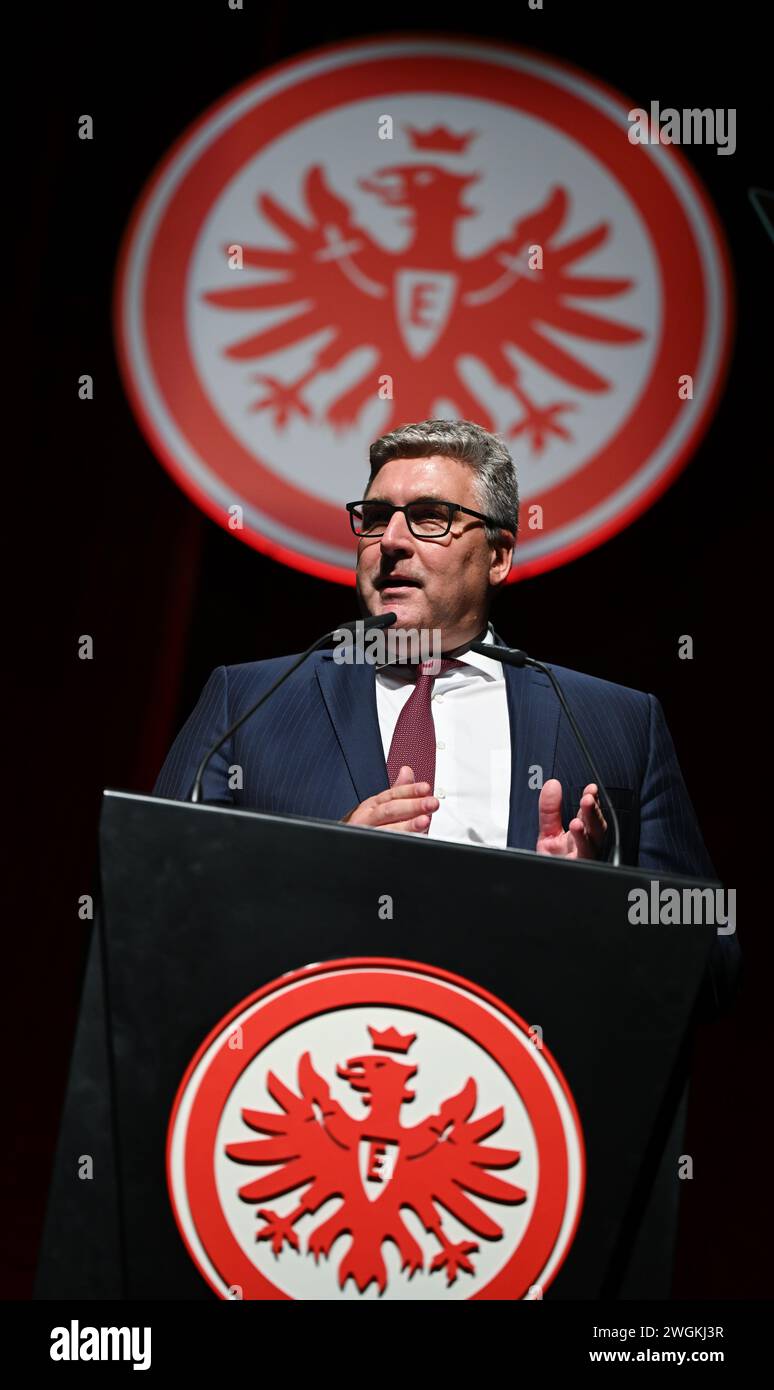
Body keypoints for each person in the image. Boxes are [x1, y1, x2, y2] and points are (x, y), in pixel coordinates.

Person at [153, 419, 739, 1019]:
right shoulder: (252, 701)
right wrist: (323, 873)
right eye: (377, 517)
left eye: (430, 517)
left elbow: (716, 958)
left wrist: (594, 903)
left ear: (499, 556)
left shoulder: (615, 722)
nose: (392, 541)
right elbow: (154, 912)